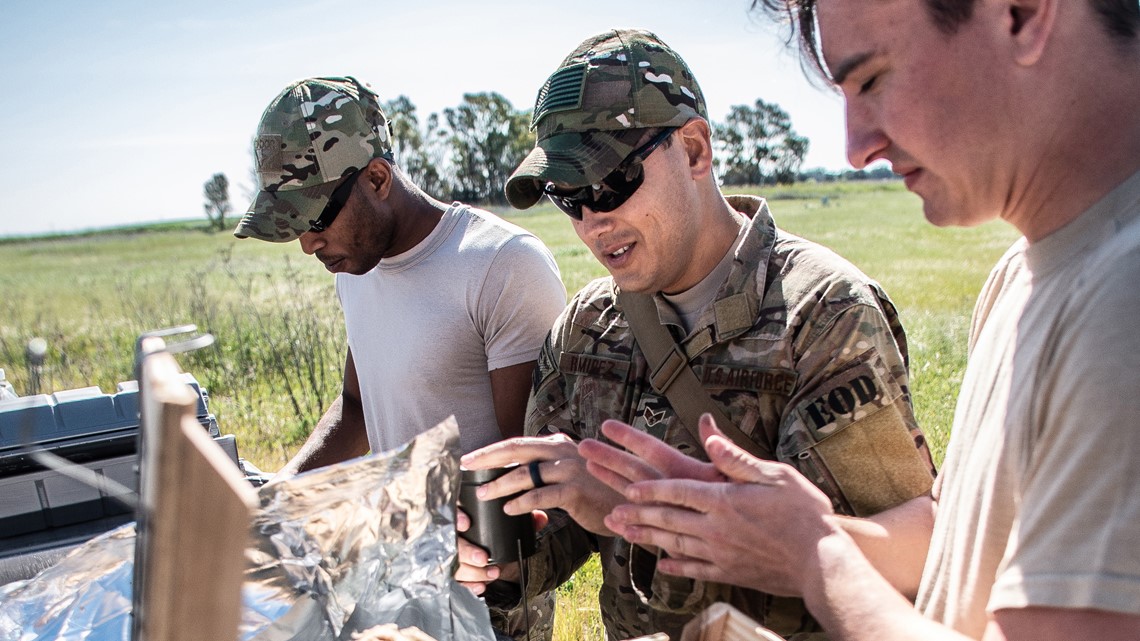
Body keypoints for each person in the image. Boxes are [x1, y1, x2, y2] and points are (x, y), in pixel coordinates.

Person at [583, 1, 1140, 640]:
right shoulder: (1030, 274)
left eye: (873, 80)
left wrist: (815, 555)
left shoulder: (1124, 298)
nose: (856, 147)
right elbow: (960, 544)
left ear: (1019, 12)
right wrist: (765, 527)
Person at [458, 29, 937, 641]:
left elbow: (896, 556)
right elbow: (561, 532)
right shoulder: (585, 329)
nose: (593, 220)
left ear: (693, 150)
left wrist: (633, 510)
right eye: (568, 196)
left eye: (610, 183)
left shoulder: (823, 313)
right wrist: (495, 554)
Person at [233, 76, 567, 640]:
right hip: (393, 576)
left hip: (487, 590)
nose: (307, 245)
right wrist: (277, 500)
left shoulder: (502, 265)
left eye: (315, 219)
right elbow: (357, 409)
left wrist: (364, 526)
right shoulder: (356, 269)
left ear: (378, 178)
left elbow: (522, 466)